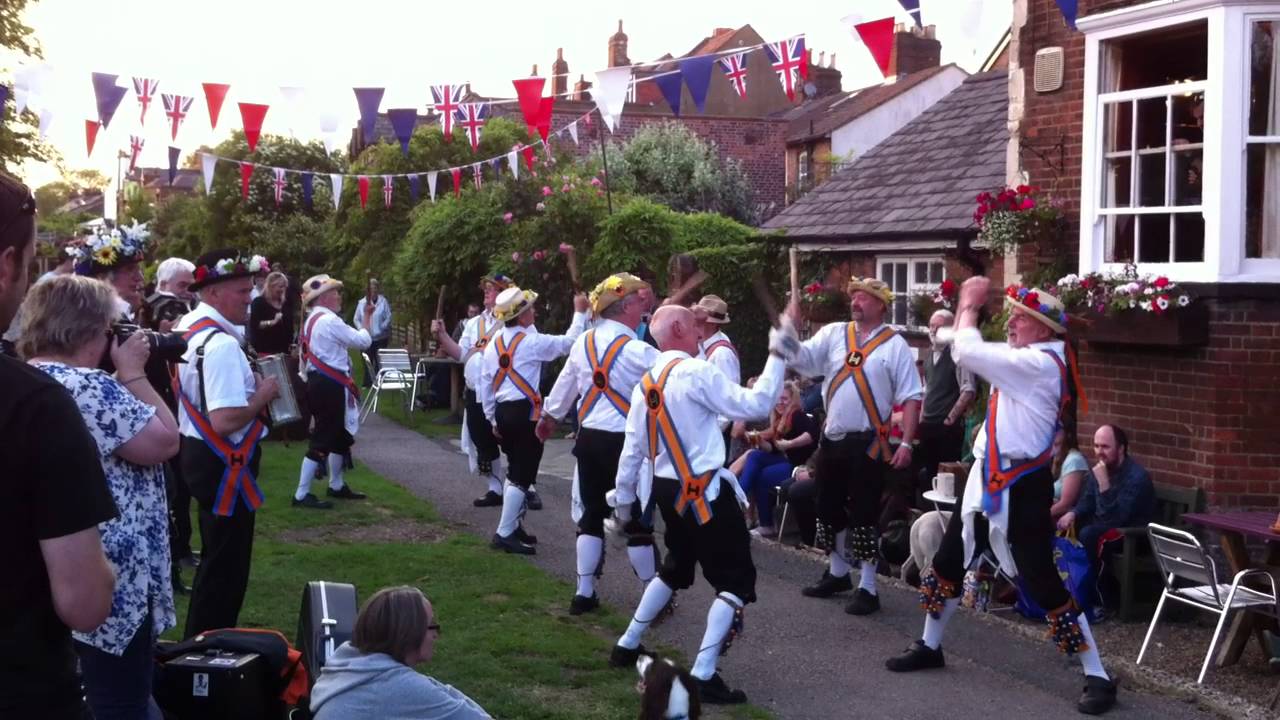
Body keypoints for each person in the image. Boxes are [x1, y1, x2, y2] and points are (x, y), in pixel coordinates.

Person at [886, 277, 1117, 716]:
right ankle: (930, 645)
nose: (1010, 323)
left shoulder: (1039, 364)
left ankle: (1097, 675)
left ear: (1045, 331)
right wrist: (958, 324)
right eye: (1010, 315)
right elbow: (965, 348)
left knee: (1040, 577)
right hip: (985, 475)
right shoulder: (1025, 357)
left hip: (1021, 482)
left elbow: (969, 352)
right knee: (950, 560)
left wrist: (969, 305)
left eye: (1021, 318)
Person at [607, 304, 799, 704]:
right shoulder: (696, 372)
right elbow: (756, 404)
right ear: (678, 327)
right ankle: (703, 674)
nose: (702, 331)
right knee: (734, 580)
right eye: (695, 324)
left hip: (665, 489)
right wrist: (779, 351)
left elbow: (632, 450)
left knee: (677, 565)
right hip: (704, 493)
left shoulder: (647, 382)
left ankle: (626, 644)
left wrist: (624, 504)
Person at [22, 275, 180, 720]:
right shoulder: (91, 387)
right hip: (107, 572)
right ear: (92, 329)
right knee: (121, 701)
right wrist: (131, 373)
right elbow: (165, 441)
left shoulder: (26, 380)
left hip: (47, 561)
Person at [0, 174, 117, 720]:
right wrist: (108, 572)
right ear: (6, 266)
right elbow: (85, 602)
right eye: (28, 264)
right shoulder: (36, 407)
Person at [789, 278, 923, 616]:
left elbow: (911, 397)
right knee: (826, 506)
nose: (856, 301)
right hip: (831, 437)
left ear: (881, 305)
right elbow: (803, 361)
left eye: (864, 297)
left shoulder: (895, 345)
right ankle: (836, 573)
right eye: (854, 296)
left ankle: (868, 586)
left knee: (864, 514)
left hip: (869, 442)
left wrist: (906, 441)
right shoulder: (835, 333)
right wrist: (790, 333)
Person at [537, 273, 661, 614]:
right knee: (633, 518)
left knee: (591, 515)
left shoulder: (583, 344)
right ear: (624, 307)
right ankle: (654, 596)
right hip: (627, 444)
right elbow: (671, 383)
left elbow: (565, 385)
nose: (643, 307)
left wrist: (549, 417)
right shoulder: (641, 352)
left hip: (589, 438)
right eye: (639, 301)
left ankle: (584, 592)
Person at [175, 249, 280, 638]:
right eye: (241, 290)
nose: (250, 298)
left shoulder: (189, 326)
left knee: (217, 563)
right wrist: (263, 395)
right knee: (226, 569)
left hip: (201, 455)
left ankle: (200, 647)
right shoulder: (220, 345)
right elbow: (223, 421)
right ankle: (206, 652)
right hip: (223, 462)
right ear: (213, 292)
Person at [480, 285, 589, 554]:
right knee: (522, 474)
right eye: (531, 308)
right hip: (525, 414)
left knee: (516, 470)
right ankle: (504, 533)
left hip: (504, 413)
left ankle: (513, 525)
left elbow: (485, 384)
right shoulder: (531, 343)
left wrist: (492, 418)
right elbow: (570, 343)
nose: (535, 311)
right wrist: (579, 312)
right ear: (523, 316)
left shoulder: (493, 344)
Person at [310, 586, 491, 720]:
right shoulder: (397, 686)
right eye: (431, 625)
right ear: (409, 632)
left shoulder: (351, 666)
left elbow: (439, 691)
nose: (436, 633)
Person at [431, 274, 512, 509]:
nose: (487, 292)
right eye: (486, 288)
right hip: (476, 391)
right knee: (482, 440)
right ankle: (495, 488)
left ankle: (524, 486)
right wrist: (443, 335)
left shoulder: (512, 321)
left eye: (493, 289)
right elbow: (462, 354)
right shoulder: (475, 323)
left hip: (502, 393)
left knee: (511, 441)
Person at [294, 274, 373, 509]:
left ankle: (336, 485)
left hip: (321, 382)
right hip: (329, 384)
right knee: (323, 437)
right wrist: (367, 317)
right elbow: (362, 341)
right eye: (335, 292)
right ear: (324, 297)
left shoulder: (311, 321)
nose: (339, 296)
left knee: (339, 436)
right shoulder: (329, 321)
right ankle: (301, 494)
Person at [1057, 424, 1155, 608]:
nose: (1099, 452)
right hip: (1108, 528)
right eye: (1096, 446)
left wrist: (1104, 485)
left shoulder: (1137, 477)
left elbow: (1117, 518)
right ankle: (1071, 590)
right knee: (1068, 525)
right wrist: (1073, 512)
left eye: (1105, 447)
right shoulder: (1101, 470)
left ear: (1121, 449)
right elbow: (1087, 502)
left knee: (1090, 534)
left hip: (1133, 535)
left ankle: (1099, 598)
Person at [729, 381, 817, 538]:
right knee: (754, 455)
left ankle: (764, 523)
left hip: (798, 465)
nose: (780, 402)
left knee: (764, 475)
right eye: (778, 398)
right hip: (783, 460)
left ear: (793, 400)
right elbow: (773, 449)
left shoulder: (796, 415)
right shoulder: (778, 419)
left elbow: (811, 436)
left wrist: (790, 444)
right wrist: (759, 441)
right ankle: (736, 497)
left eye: (784, 399)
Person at [917, 310, 976, 489]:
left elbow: (968, 390)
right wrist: (921, 417)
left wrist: (950, 419)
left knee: (947, 478)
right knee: (928, 474)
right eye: (932, 326)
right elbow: (927, 389)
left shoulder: (958, 355)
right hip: (928, 424)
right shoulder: (928, 356)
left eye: (940, 326)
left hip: (947, 427)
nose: (934, 330)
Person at [692, 294, 740, 457]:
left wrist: (707, 435)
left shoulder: (721, 354)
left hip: (713, 435)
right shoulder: (704, 345)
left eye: (698, 320)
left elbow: (728, 402)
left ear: (709, 324)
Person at [354, 278, 392, 387]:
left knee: (379, 360)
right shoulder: (362, 303)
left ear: (378, 289)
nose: (373, 291)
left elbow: (389, 317)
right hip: (367, 337)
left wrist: (383, 327)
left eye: (375, 289)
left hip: (381, 337)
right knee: (367, 360)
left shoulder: (383, 301)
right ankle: (368, 383)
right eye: (371, 289)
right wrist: (361, 329)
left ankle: (380, 382)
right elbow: (356, 318)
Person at [143, 257, 196, 332]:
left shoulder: (197, 307)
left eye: (192, 286)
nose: (189, 291)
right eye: (182, 285)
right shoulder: (144, 312)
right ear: (163, 285)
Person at [248, 271, 294, 356]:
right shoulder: (258, 303)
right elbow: (255, 324)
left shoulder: (286, 303)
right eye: (280, 286)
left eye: (285, 287)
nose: (283, 289)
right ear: (270, 286)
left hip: (286, 352)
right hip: (266, 353)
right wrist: (273, 322)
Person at [1050, 425, 1090, 520]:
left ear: (1067, 435)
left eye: (1058, 428)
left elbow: (1066, 505)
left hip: (1064, 522)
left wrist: (1038, 516)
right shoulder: (1058, 457)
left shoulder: (1074, 460)